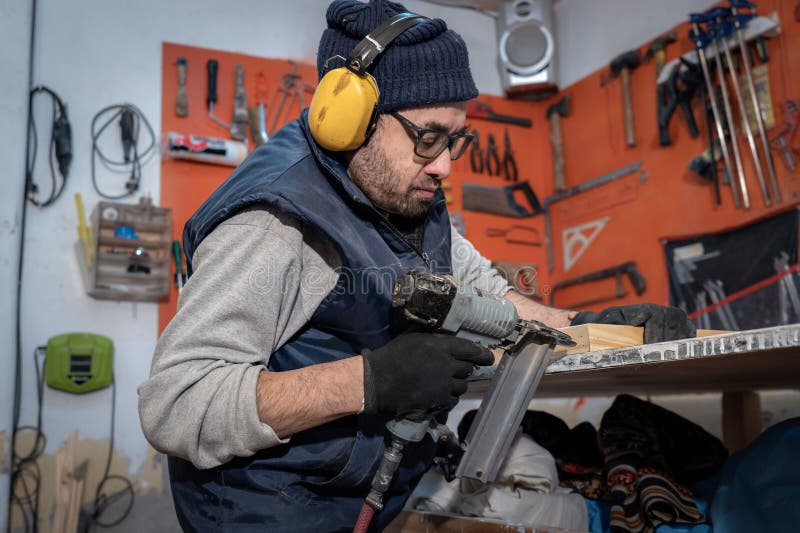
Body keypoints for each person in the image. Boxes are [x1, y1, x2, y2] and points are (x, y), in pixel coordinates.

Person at [138, 1, 695, 531]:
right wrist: (371, 381)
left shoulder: (404, 192)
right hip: (265, 512)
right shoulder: (273, 225)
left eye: (457, 140)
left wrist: (598, 327)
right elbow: (177, 404)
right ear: (352, 122)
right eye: (429, 137)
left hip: (367, 495)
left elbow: (492, 296)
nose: (446, 166)